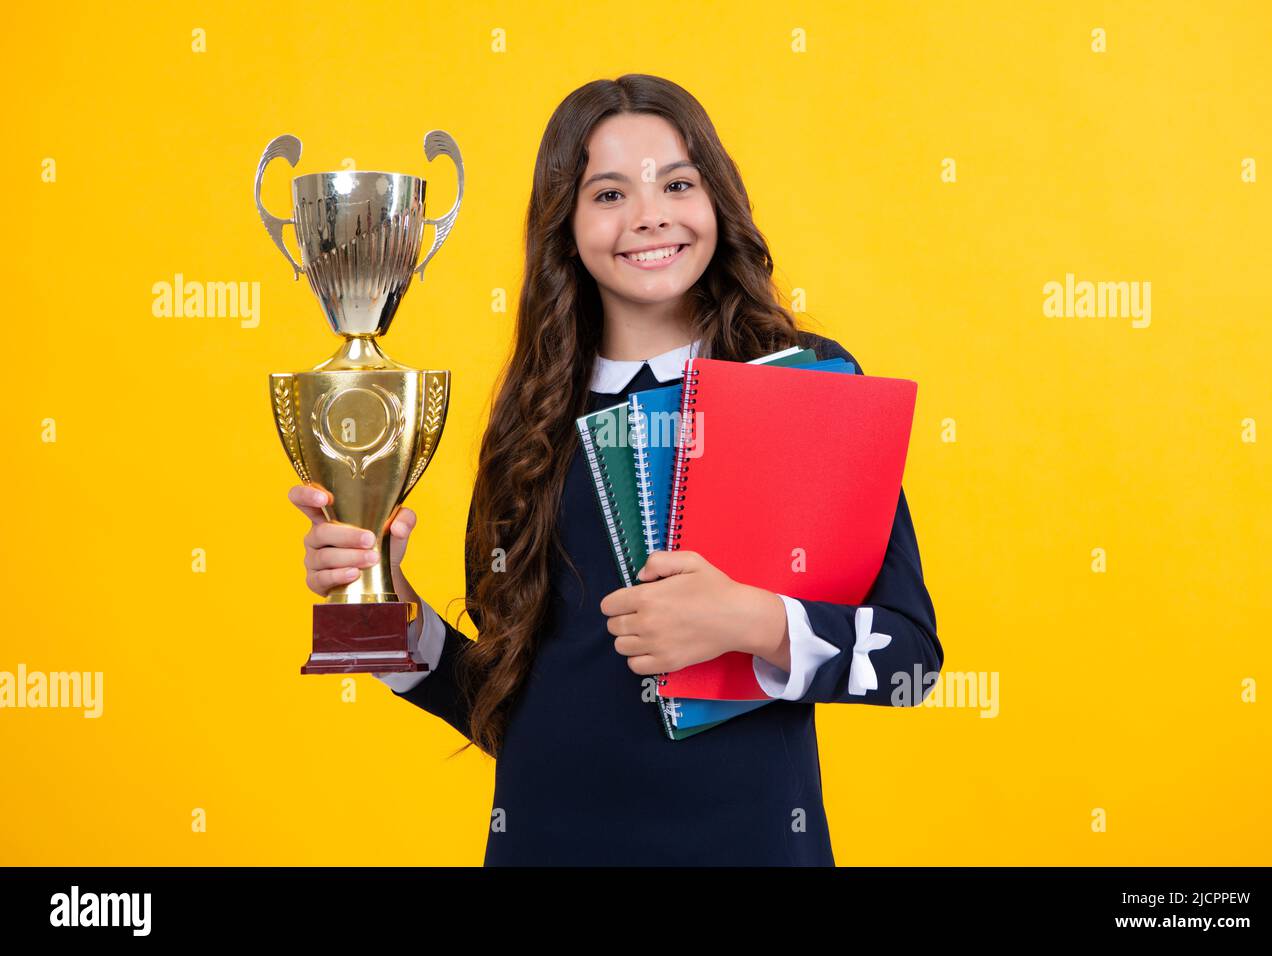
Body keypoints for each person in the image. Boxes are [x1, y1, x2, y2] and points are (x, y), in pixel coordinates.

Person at [287, 74, 942, 865]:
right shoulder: (529, 423)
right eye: (607, 194)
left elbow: (910, 658)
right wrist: (381, 606)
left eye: (677, 182)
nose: (649, 216)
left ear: (717, 201)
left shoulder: (802, 382)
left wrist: (752, 621)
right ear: (564, 225)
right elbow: (504, 709)